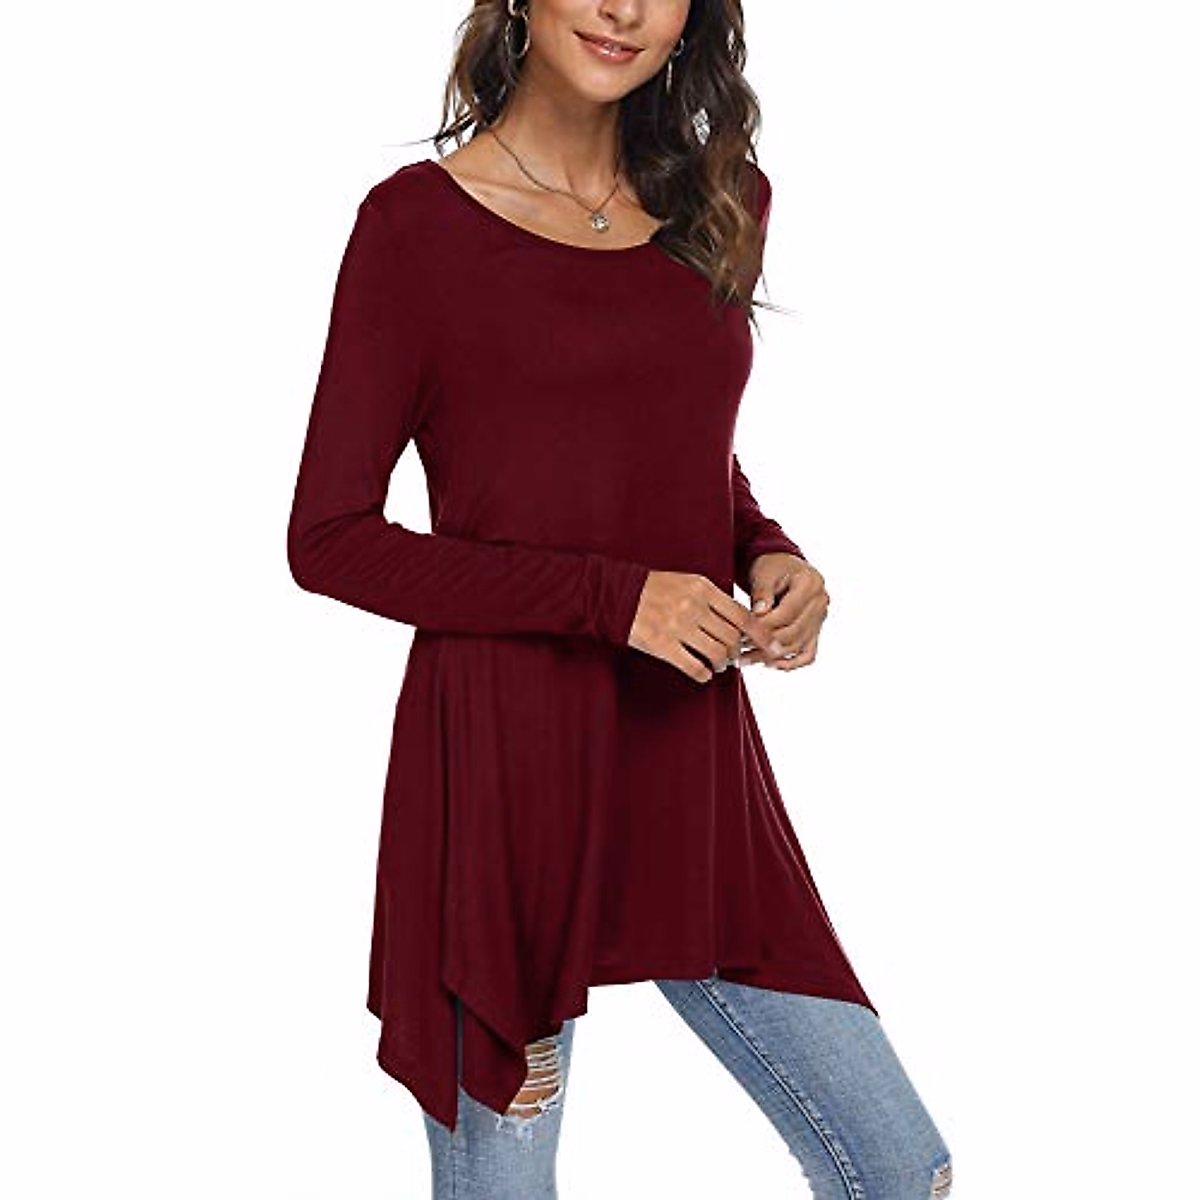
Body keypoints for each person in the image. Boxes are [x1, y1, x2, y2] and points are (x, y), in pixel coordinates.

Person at [286, 1, 953, 1196]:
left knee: (900, 1169)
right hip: (507, 768)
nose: (623, 9)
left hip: (687, 752)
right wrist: (613, 601)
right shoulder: (414, 228)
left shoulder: (721, 202)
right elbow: (329, 540)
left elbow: (665, 447)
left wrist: (770, 552)